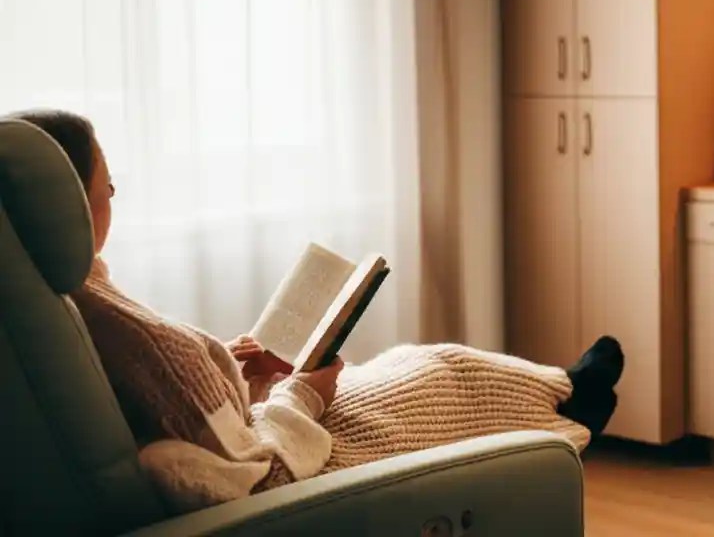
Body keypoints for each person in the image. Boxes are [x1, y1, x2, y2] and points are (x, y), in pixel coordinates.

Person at [10, 109, 623, 512]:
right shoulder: (117, 324)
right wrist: (301, 396)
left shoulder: (50, 304)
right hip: (287, 465)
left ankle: (563, 386)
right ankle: (571, 401)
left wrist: (234, 371)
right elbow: (260, 478)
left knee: (408, 363)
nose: (114, 197)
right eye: (107, 187)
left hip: (259, 417)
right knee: (432, 374)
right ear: (69, 201)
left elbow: (173, 412)